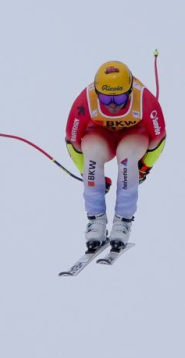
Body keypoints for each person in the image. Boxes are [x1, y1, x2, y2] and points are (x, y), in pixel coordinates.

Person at [64, 60, 166, 254]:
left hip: (134, 135)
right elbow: (72, 140)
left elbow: (159, 138)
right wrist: (88, 174)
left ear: (129, 92)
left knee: (127, 160)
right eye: (105, 99)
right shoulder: (86, 99)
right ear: (96, 92)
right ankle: (96, 220)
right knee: (91, 158)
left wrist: (144, 167)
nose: (112, 105)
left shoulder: (144, 99)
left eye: (119, 100)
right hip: (102, 136)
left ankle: (123, 221)